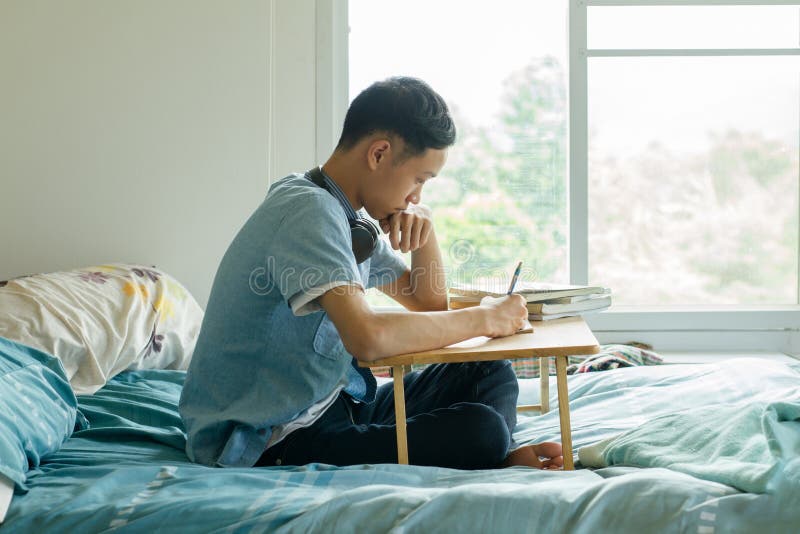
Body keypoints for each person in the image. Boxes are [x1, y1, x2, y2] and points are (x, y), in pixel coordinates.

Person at [179, 76, 563, 471]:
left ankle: (493, 453)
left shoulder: (344, 214)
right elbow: (368, 339)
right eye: (419, 180)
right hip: (270, 434)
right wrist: (486, 318)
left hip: (334, 403)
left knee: (489, 370)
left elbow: (428, 303)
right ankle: (494, 452)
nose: (416, 195)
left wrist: (425, 228)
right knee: (482, 430)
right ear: (379, 154)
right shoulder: (309, 212)